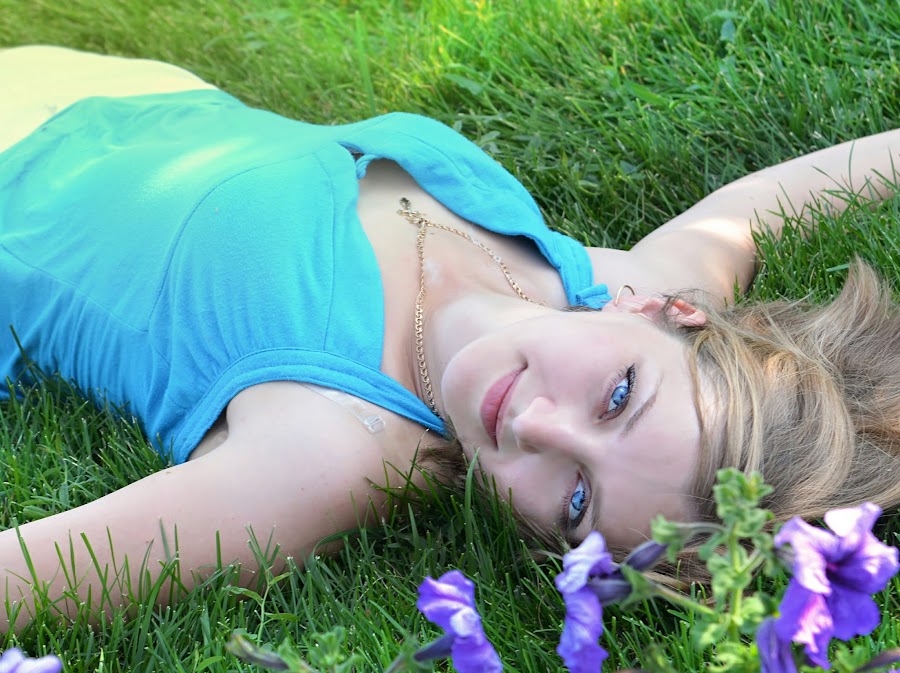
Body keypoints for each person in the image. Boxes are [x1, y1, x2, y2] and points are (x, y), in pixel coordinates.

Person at [0, 45, 898, 631]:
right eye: (617, 399)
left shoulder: (329, 452)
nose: (538, 427)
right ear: (666, 313)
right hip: (135, 90)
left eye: (575, 500)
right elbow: (755, 209)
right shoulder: (609, 285)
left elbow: (30, 579)